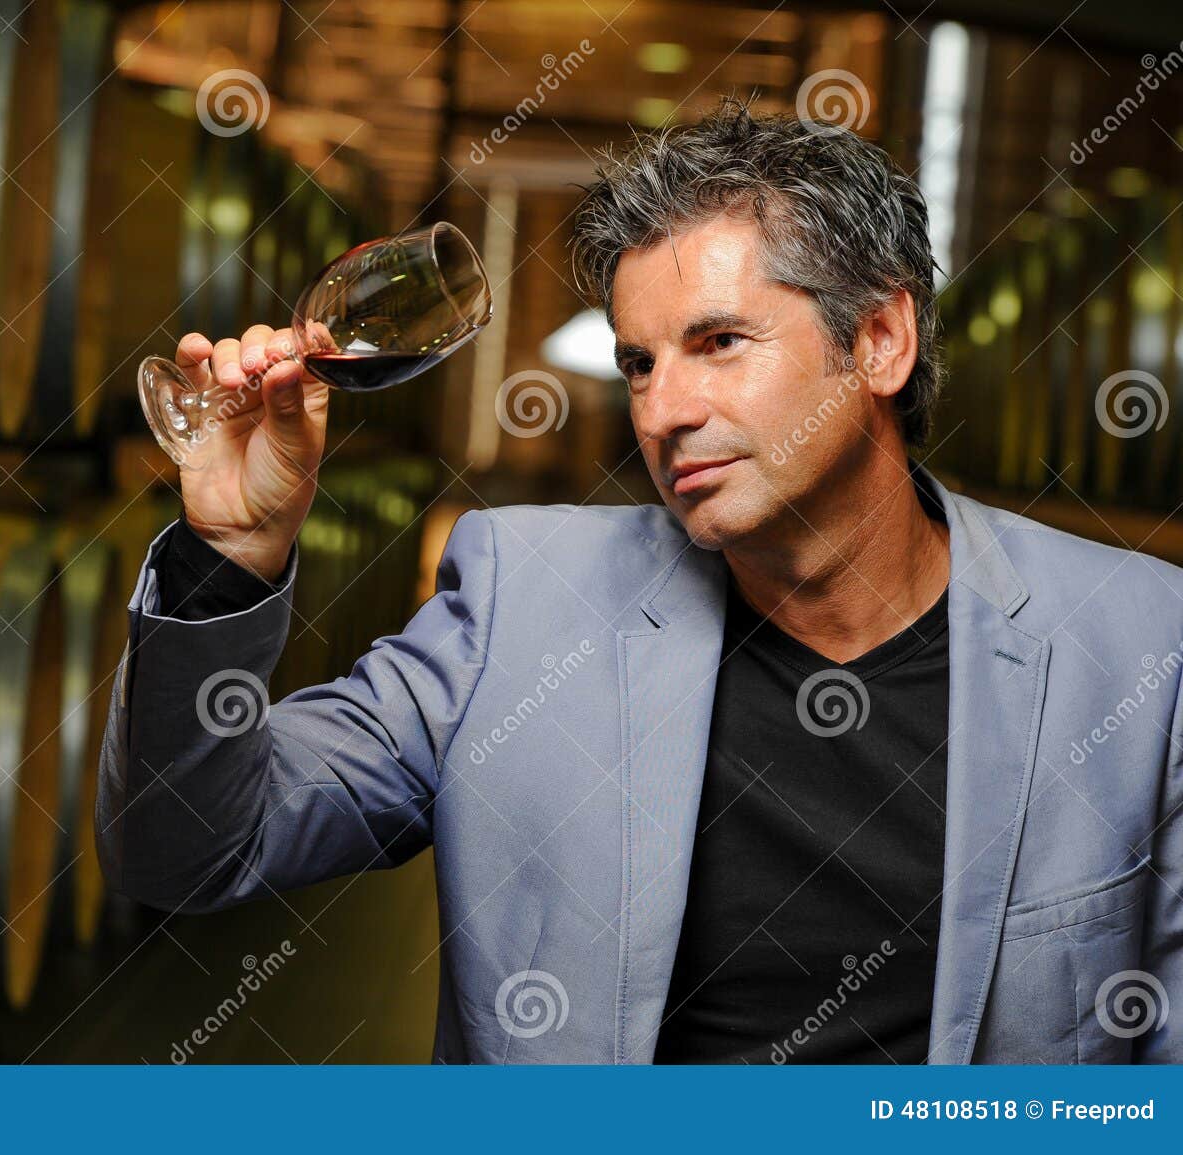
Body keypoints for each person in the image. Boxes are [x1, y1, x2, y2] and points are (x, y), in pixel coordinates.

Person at [96, 99, 1182, 1064]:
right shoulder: (520, 603)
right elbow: (190, 848)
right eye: (639, 364)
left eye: (718, 343)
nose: (662, 412)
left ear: (882, 340)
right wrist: (226, 561)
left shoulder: (1137, 645)